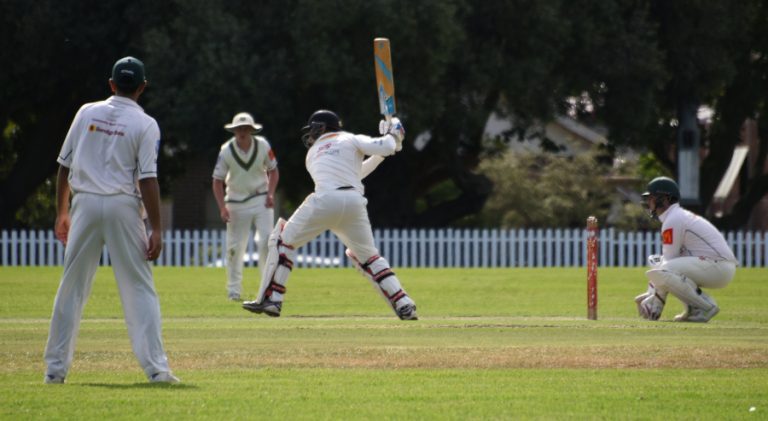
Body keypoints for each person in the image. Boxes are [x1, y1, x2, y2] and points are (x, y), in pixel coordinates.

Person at [44, 57, 179, 384]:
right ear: (143, 87)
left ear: (112, 84)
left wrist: (62, 212)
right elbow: (148, 179)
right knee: (139, 289)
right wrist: (157, 228)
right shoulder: (146, 124)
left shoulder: (86, 112)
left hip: (86, 204)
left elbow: (64, 166)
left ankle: (54, 371)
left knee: (71, 288)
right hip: (122, 206)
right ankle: (157, 369)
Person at [241, 109, 417, 320]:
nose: (311, 135)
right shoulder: (351, 139)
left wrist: (391, 142)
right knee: (368, 258)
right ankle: (403, 303)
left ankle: (273, 299)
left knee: (282, 240)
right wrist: (394, 134)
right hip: (353, 202)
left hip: (324, 201)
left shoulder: (313, 153)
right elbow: (374, 159)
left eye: (312, 129)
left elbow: (358, 168)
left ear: (321, 127)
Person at [634, 176, 737, 323]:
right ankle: (692, 309)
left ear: (665, 198)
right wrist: (652, 292)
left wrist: (656, 298)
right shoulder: (675, 216)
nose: (648, 202)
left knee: (663, 269)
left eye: (651, 198)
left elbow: (667, 265)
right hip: (716, 265)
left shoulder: (673, 219)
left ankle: (706, 307)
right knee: (657, 263)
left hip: (719, 266)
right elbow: (668, 265)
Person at [212, 112, 279, 301]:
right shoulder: (226, 150)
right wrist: (222, 207)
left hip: (261, 198)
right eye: (238, 129)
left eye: (245, 128)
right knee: (235, 247)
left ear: (251, 130)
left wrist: (271, 193)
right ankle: (234, 290)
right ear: (234, 130)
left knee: (267, 241)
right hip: (235, 202)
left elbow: (273, 171)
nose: (242, 132)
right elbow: (217, 181)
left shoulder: (263, 145)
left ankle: (267, 288)